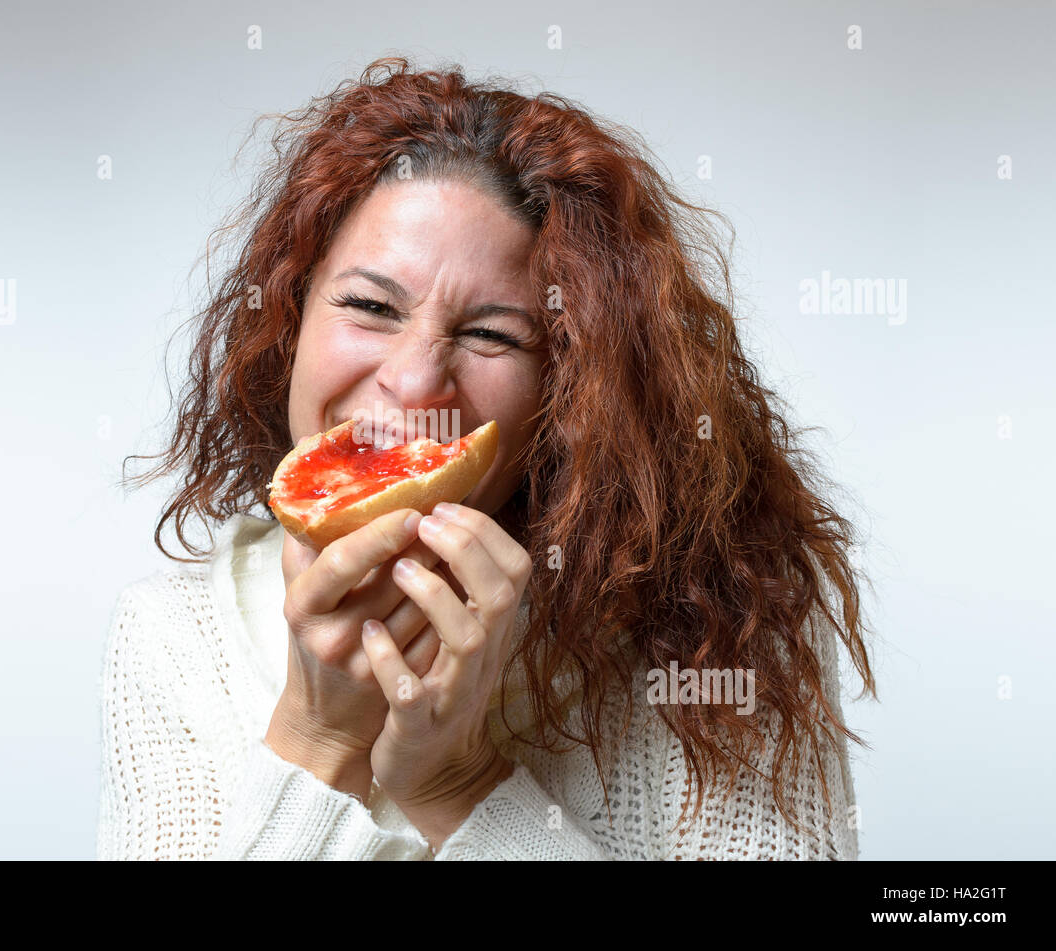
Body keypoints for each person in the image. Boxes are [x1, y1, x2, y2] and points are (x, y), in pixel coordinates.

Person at [97, 57, 877, 860]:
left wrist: (459, 785)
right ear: (293, 315)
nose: (413, 382)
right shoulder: (174, 636)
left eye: (491, 335)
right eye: (369, 306)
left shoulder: (728, 622)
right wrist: (319, 736)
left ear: (572, 386)